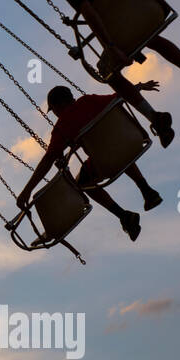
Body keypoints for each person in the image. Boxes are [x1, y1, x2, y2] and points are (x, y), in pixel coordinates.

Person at [17, 85, 165, 242]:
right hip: (131, 140)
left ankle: (124, 215)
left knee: (82, 180)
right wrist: (139, 86)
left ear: (58, 105)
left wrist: (27, 191)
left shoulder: (62, 126)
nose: (54, 114)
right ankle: (146, 190)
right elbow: (119, 95)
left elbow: (48, 160)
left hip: (106, 160)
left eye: (53, 110)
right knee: (114, 147)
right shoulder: (89, 100)